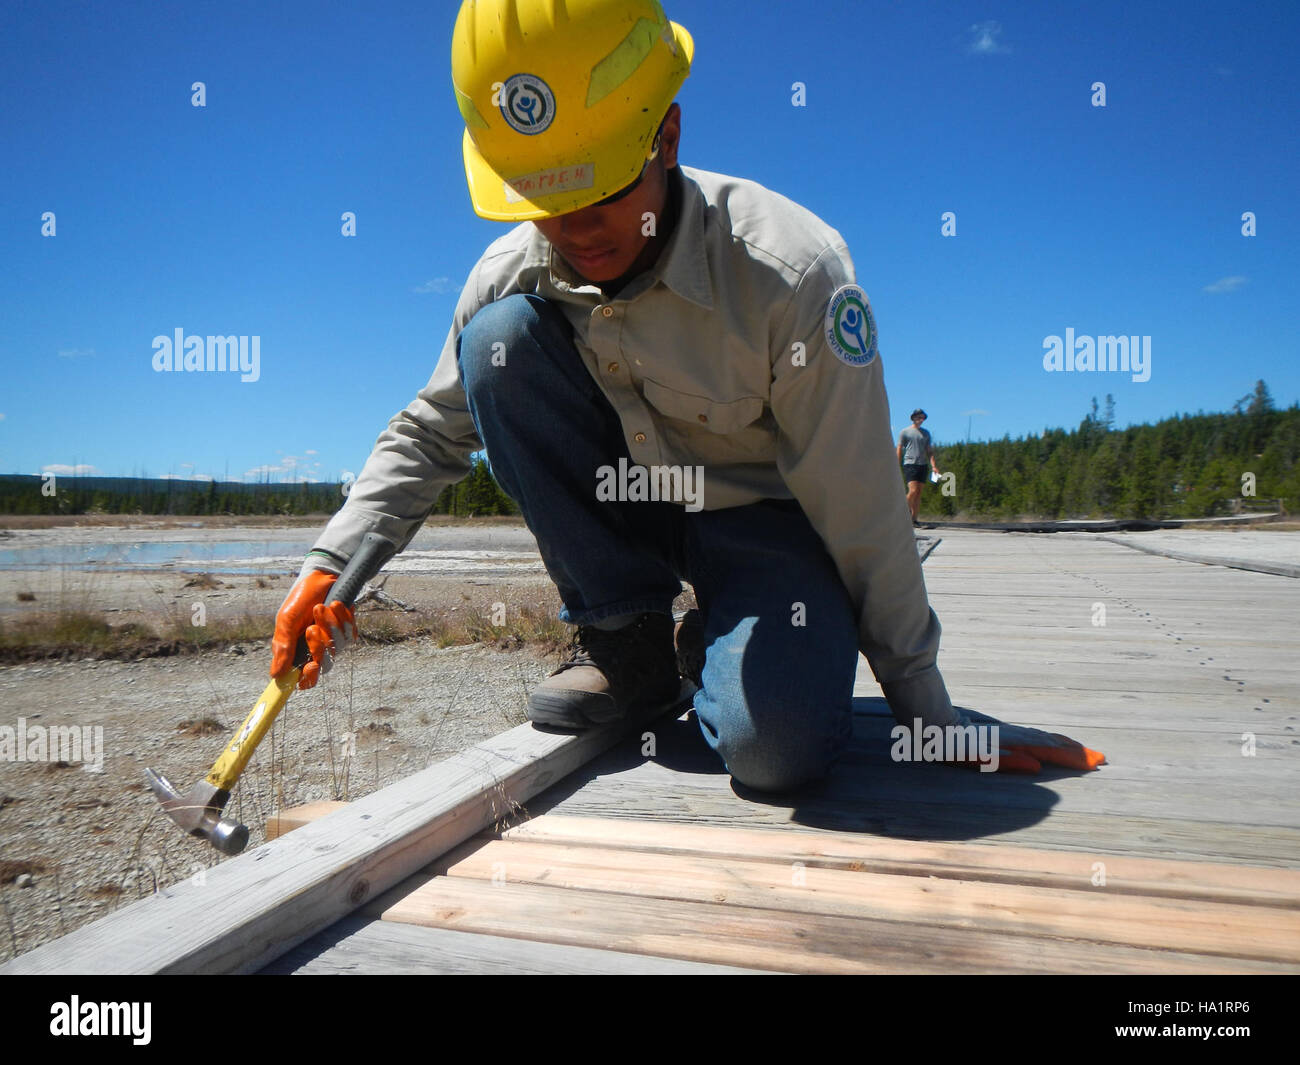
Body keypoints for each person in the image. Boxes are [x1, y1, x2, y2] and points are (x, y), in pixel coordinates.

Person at [270, 0, 1104, 788]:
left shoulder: (792, 275)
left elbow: (862, 503)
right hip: (628, 510)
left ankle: (727, 642)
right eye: (544, 200)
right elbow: (430, 432)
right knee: (498, 344)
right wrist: (330, 564)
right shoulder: (510, 274)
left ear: (665, 133)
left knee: (773, 749)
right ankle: (630, 648)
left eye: (600, 191)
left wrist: (926, 708)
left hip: (763, 525)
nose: (575, 229)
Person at [897, 409, 940, 525]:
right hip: (910, 463)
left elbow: (929, 451)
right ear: (913, 418)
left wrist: (934, 466)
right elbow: (900, 447)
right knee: (913, 490)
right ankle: (901, 514)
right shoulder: (905, 432)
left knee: (919, 493)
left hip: (923, 464)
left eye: (922, 418)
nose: (920, 420)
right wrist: (897, 462)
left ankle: (914, 519)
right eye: (918, 417)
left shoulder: (926, 433)